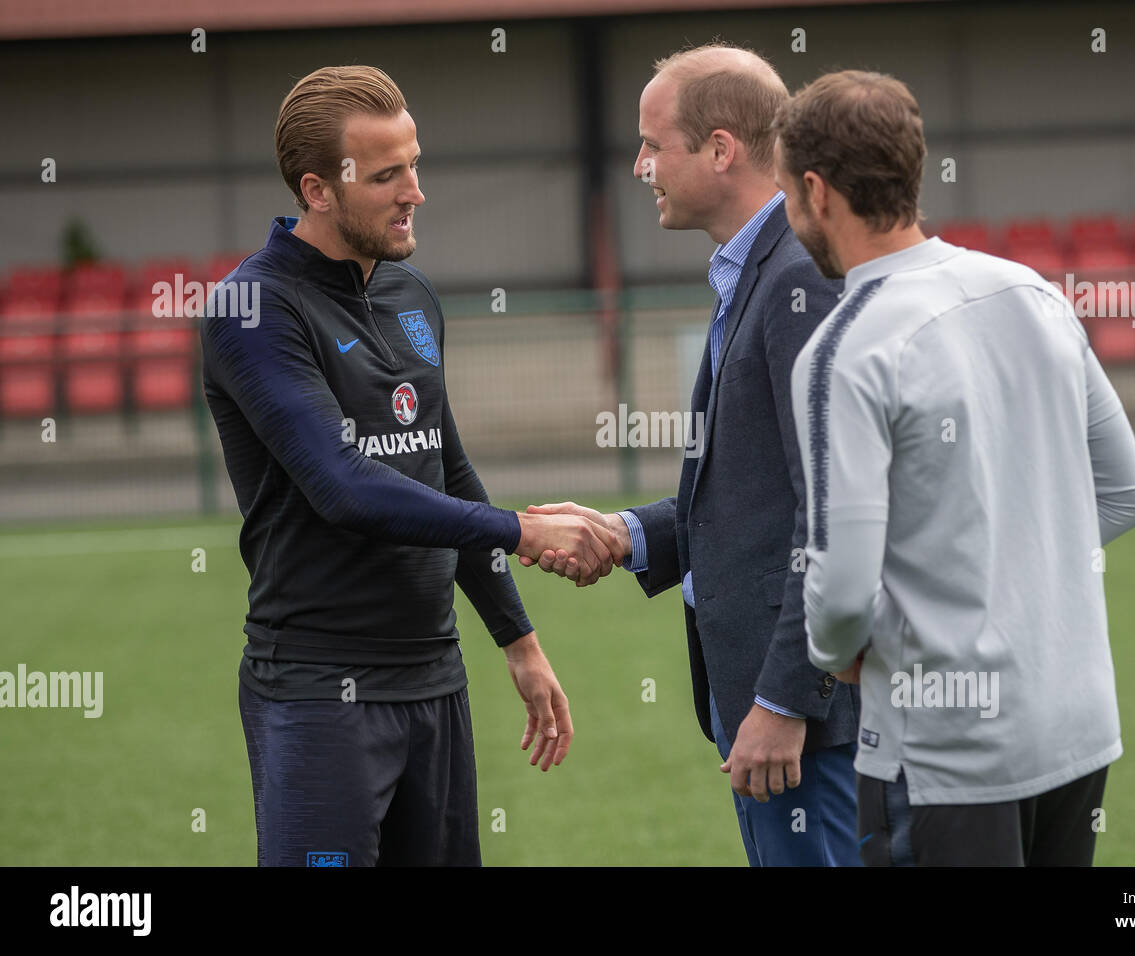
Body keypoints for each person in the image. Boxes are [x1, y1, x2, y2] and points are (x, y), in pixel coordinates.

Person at [200, 65, 623, 866]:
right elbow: (343, 486)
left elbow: (445, 472)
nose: (415, 192)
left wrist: (518, 640)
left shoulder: (410, 295)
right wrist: (523, 532)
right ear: (318, 189)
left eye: (414, 164)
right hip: (319, 692)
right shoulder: (250, 310)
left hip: (434, 681)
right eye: (388, 174)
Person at [774, 69, 1135, 865]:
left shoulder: (848, 344)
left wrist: (837, 647)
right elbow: (1125, 494)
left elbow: (841, 598)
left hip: (947, 756)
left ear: (817, 191)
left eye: (785, 191)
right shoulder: (1031, 292)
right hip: (1077, 725)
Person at [524, 44, 862, 866]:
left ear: (720, 149)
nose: (641, 166)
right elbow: (750, 498)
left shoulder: (797, 278)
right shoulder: (755, 270)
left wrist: (786, 699)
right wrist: (626, 534)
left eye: (653, 145)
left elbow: (836, 512)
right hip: (773, 718)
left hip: (804, 726)